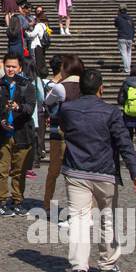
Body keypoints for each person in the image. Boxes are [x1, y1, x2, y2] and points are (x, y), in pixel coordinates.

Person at [58, 68, 136, 272]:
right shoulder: (111, 112)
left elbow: (63, 129)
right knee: (107, 217)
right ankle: (107, 263)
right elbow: (124, 143)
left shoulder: (67, 109)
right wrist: (135, 171)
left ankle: (79, 267)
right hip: (104, 171)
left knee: (78, 219)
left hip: (76, 170)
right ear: (101, 88)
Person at [0, 54, 37, 216]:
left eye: (14, 66)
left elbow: (30, 108)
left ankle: (17, 200)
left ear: (20, 68)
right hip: (2, 133)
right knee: (1, 169)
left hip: (21, 133)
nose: (10, 69)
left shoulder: (27, 86)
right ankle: (0, 201)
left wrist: (18, 107)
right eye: (8, 66)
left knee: (19, 170)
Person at [41, 53, 84, 219]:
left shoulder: (60, 87)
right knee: (76, 173)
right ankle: (80, 209)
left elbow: (47, 101)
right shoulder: (85, 85)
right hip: (80, 133)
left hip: (58, 133)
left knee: (54, 171)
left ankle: (46, 204)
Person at [115, 4, 135, 75]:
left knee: (124, 53)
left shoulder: (118, 17)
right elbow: (133, 27)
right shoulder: (130, 18)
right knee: (129, 53)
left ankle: (127, 69)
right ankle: (128, 68)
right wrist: (132, 37)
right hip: (129, 37)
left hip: (122, 37)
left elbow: (116, 25)